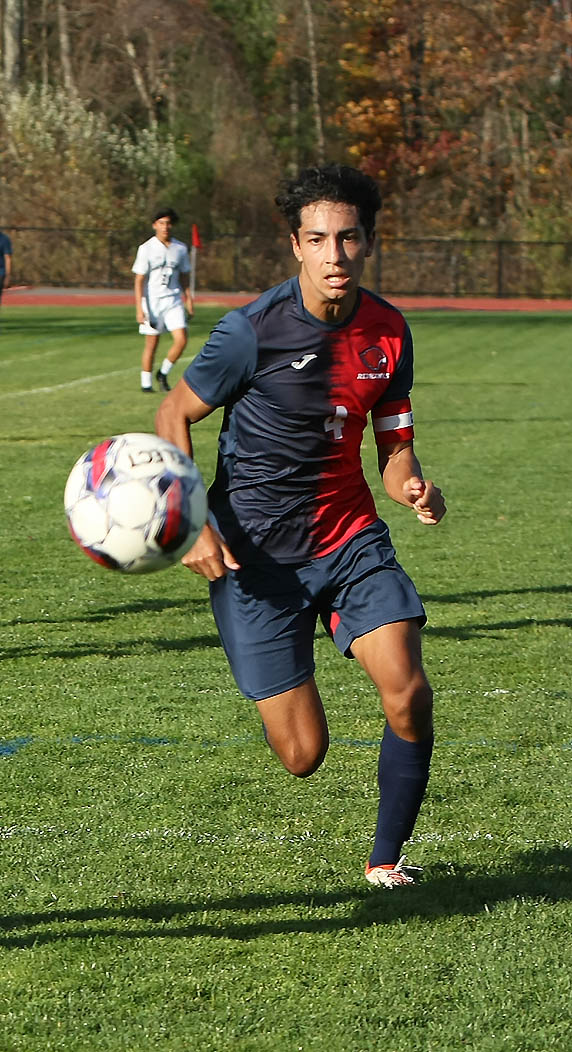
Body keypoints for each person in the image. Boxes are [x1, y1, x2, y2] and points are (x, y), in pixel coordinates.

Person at [155, 163, 445, 888]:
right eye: (319, 240)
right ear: (296, 246)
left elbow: (392, 443)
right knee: (302, 754)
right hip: (254, 559)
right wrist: (191, 523)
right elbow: (173, 415)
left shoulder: (389, 332)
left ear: (367, 243)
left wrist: (409, 483)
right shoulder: (250, 332)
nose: (335, 256)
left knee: (407, 690)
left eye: (348, 239)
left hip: (349, 540)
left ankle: (385, 861)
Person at [133, 207, 193, 393]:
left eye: (168, 223)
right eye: (161, 223)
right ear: (154, 225)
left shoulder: (180, 248)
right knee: (152, 343)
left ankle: (164, 373)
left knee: (181, 339)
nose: (165, 227)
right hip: (152, 302)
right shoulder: (146, 248)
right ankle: (146, 383)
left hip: (173, 300)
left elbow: (184, 276)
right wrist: (139, 309)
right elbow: (139, 280)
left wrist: (189, 299)